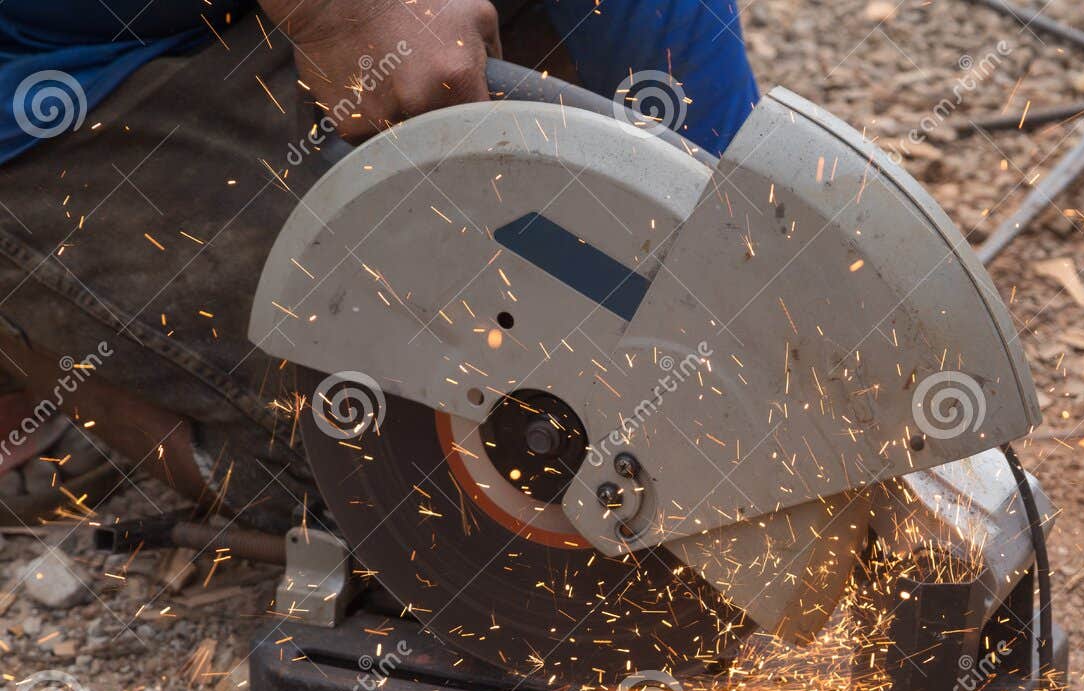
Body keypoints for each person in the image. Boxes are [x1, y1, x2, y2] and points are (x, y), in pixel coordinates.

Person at [0, 0, 759, 525]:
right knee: (370, 462)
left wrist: (743, 261)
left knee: (608, 258)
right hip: (48, 80)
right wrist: (343, 13)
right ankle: (29, 360)